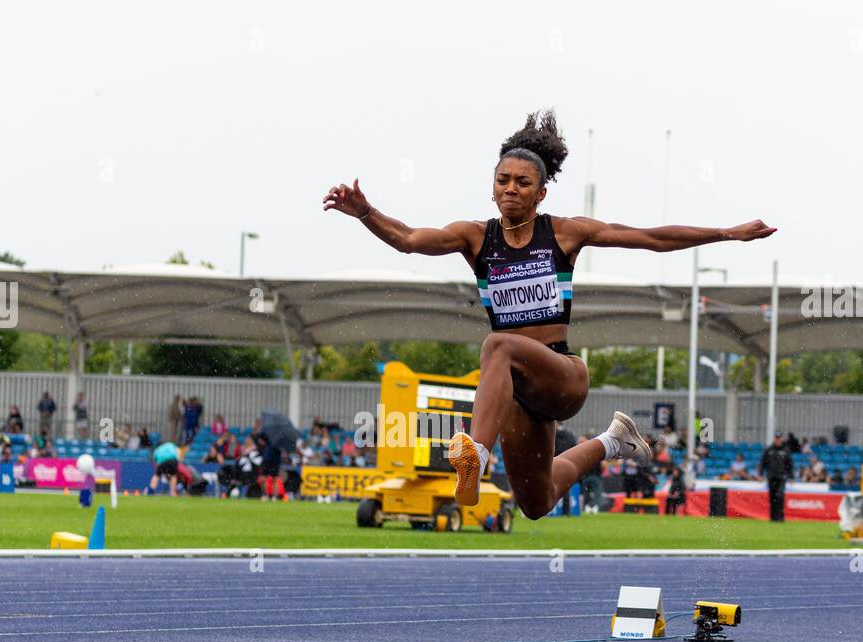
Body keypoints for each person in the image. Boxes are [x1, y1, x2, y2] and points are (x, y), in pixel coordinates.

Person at [324, 109, 775, 518]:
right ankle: (611, 441)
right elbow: (408, 239)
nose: (511, 189)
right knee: (536, 502)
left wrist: (725, 233)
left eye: (522, 182)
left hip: (562, 376)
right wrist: (366, 212)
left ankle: (475, 455)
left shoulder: (563, 233)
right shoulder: (475, 238)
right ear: (492, 187)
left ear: (540, 192)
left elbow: (650, 237)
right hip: (518, 393)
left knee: (497, 344)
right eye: (503, 180)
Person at [760, 433, 793, 521]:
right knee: (772, 497)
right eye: (776, 438)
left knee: (780, 496)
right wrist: (760, 474)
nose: (777, 440)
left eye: (779, 438)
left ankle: (780, 517)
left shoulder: (786, 450)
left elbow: (790, 464)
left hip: (781, 477)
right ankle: (773, 517)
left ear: (781, 439)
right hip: (771, 477)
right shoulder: (769, 450)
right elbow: (763, 463)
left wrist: (791, 477)